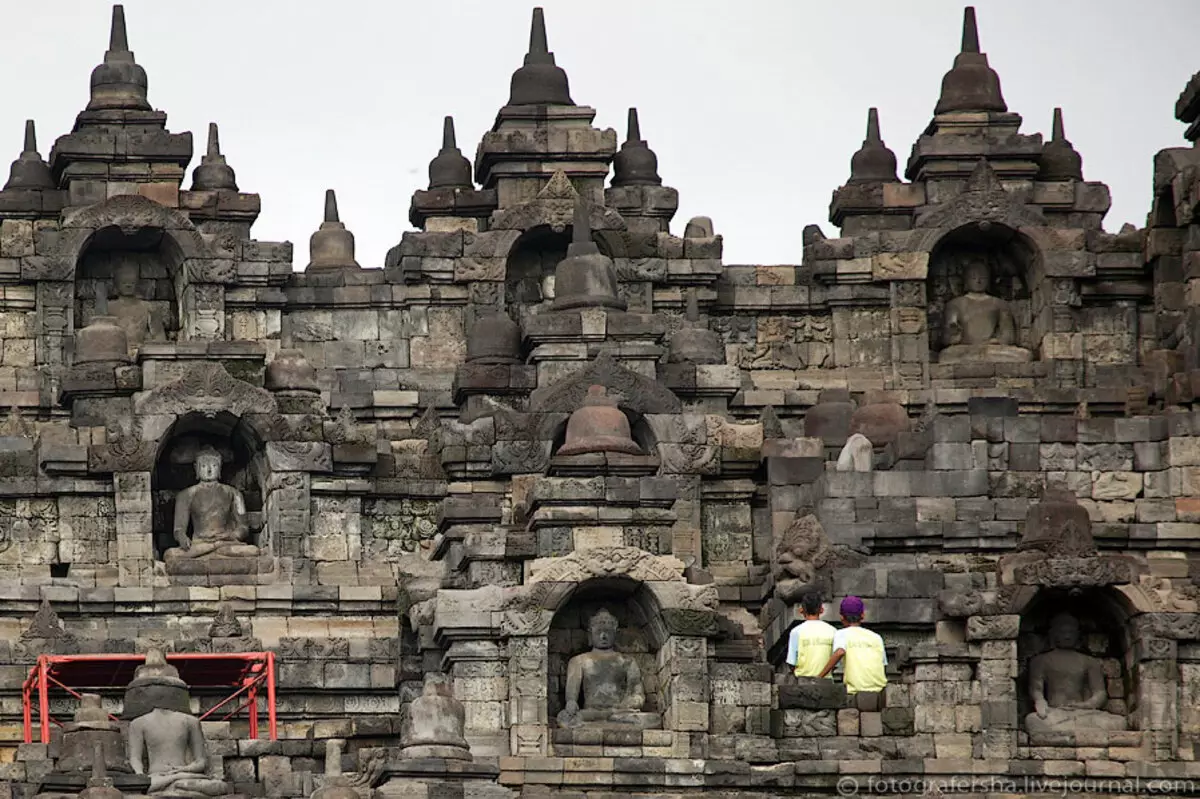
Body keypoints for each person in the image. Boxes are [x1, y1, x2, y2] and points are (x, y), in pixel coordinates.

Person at [817, 595, 888, 694]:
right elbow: (883, 665)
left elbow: (839, 652)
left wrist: (819, 677)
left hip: (855, 692)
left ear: (841, 617)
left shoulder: (842, 634)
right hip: (880, 690)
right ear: (862, 615)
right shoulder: (876, 637)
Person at [785, 591, 837, 678]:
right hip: (826, 682)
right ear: (821, 610)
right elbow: (835, 663)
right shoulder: (833, 631)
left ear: (801, 610)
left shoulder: (796, 631)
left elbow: (792, 662)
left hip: (802, 680)